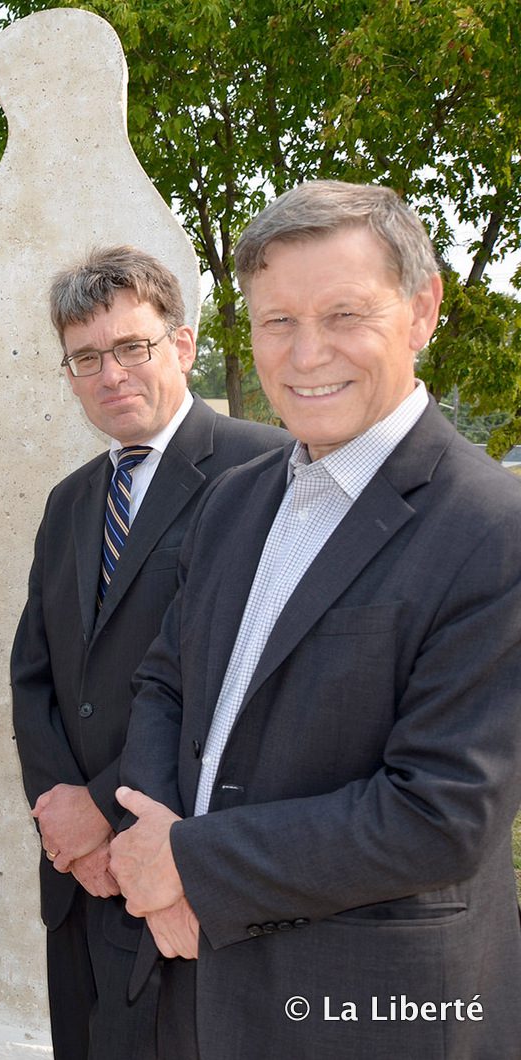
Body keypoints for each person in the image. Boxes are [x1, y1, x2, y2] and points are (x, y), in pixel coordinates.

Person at [111, 180, 521, 1059]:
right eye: (276, 322)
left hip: (369, 1009)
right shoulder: (233, 501)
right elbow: (165, 681)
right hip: (198, 980)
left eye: (344, 314)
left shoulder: (493, 530)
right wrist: (155, 856)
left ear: (421, 310)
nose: (306, 355)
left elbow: (440, 813)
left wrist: (190, 865)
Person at [10, 246, 285, 1059]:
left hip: (186, 870)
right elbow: (37, 677)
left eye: (132, 347)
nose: (111, 374)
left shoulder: (267, 468)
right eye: (86, 358)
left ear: (185, 345)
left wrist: (103, 806)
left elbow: (242, 681)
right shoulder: (70, 501)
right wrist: (66, 823)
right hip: (77, 884)